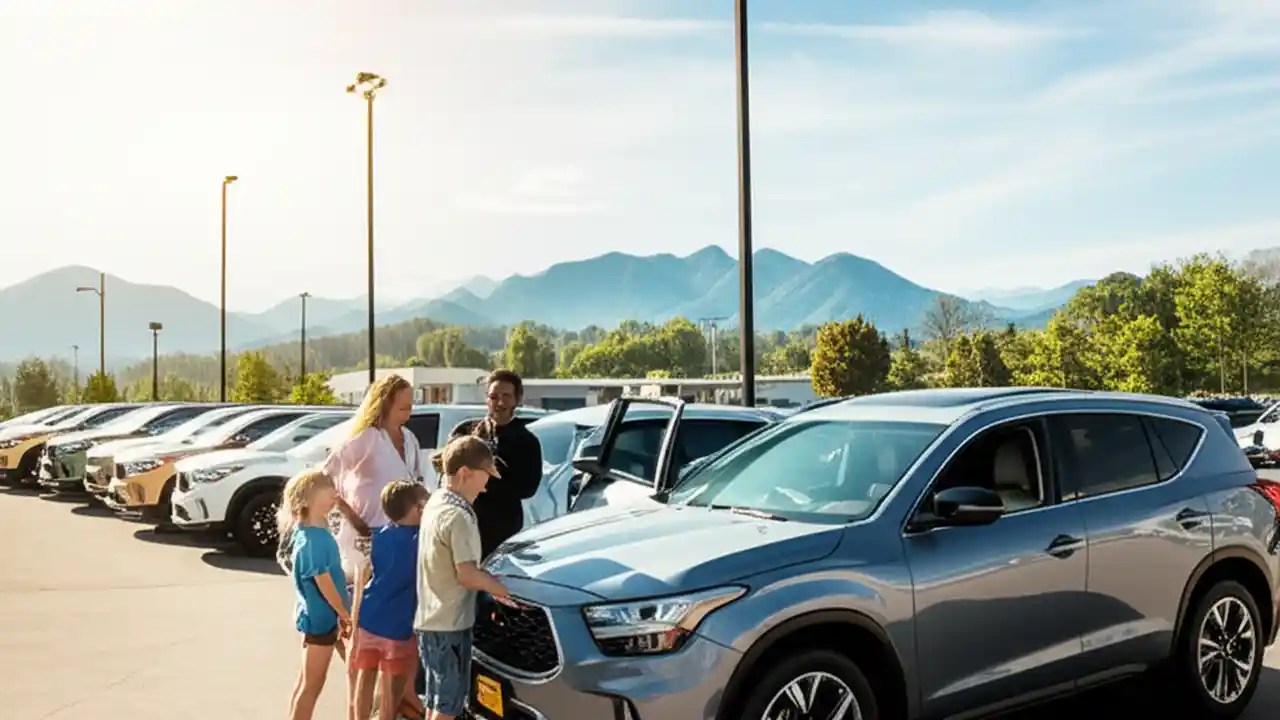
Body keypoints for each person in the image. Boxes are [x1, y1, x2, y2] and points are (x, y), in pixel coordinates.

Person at [322, 374, 422, 719]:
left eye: (412, 402)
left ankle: (397, 703)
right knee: (365, 628)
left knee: (398, 629)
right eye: (403, 403)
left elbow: (417, 483)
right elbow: (327, 475)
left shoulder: (409, 439)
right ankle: (359, 709)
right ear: (384, 403)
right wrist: (351, 516)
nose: (409, 409)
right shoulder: (366, 439)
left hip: (402, 541)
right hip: (365, 542)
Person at [416, 436, 520, 720]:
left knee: (435, 701)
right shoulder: (459, 516)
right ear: (464, 473)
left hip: (430, 620)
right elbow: (467, 574)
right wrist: (502, 590)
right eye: (485, 476)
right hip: (449, 624)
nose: (487, 485)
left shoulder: (436, 502)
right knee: (446, 707)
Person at [351, 480, 429, 720]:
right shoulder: (420, 540)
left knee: (365, 676)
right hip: (398, 624)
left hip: (370, 617)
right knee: (392, 685)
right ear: (417, 509)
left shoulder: (380, 535)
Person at [279, 469, 352, 720]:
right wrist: (344, 613)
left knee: (306, 682)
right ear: (309, 499)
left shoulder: (306, 532)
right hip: (322, 620)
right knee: (312, 685)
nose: (334, 497)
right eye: (329, 494)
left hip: (315, 616)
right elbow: (324, 581)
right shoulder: (316, 539)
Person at [449, 369, 542, 558]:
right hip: (466, 524)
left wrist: (488, 478)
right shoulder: (468, 431)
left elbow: (528, 488)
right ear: (487, 399)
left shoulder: (526, 441)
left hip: (503, 528)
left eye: (506, 396)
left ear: (517, 399)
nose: (499, 402)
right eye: (494, 396)